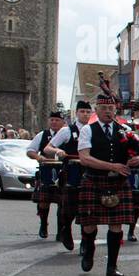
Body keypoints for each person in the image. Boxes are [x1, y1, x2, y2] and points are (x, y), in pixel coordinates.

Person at [77, 91, 139, 276]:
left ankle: (112, 266)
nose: (108, 112)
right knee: (89, 224)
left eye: (111, 108)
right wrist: (112, 165)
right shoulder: (88, 130)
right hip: (94, 180)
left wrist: (138, 158)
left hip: (118, 182)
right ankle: (89, 250)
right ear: (96, 110)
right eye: (104, 108)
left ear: (115, 110)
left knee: (116, 225)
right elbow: (84, 158)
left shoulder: (125, 130)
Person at [46, 100, 93, 252]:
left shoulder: (94, 130)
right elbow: (48, 148)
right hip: (72, 173)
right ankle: (66, 230)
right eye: (82, 111)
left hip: (91, 173)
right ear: (76, 113)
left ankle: (85, 244)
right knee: (70, 208)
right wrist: (57, 151)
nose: (85, 114)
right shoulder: (67, 131)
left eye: (88, 112)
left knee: (88, 210)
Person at [27, 110, 66, 240]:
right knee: (44, 201)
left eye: (57, 120)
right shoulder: (42, 135)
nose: (54, 122)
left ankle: (61, 230)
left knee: (63, 202)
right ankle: (43, 224)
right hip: (46, 171)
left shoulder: (67, 134)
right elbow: (30, 151)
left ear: (63, 122)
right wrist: (38, 157)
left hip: (63, 171)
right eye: (52, 120)